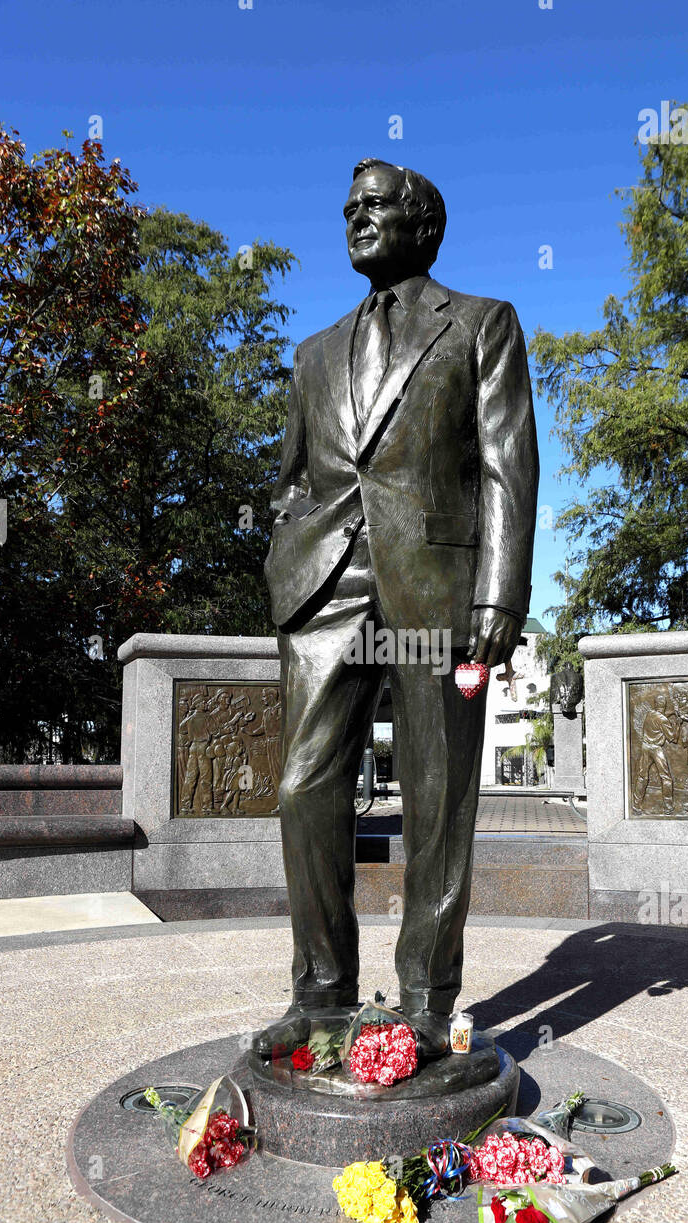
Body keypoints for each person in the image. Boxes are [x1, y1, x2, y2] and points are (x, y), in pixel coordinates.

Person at [260, 158, 539, 1057]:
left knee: (437, 794)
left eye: (375, 206)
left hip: (437, 586)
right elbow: (293, 479)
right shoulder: (313, 354)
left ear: (423, 224)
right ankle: (321, 995)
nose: (355, 219)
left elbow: (505, 465)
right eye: (347, 208)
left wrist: (501, 591)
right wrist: (286, 548)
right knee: (303, 788)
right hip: (324, 586)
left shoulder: (482, 324)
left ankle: (423, 998)